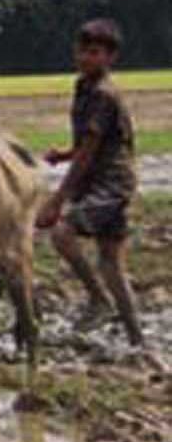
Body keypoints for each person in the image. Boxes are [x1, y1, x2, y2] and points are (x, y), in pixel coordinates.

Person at [36, 18, 144, 347]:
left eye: (95, 52)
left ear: (110, 57)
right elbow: (87, 145)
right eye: (82, 50)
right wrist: (66, 153)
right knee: (111, 263)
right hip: (105, 181)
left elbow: (90, 153)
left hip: (110, 184)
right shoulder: (83, 87)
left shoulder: (103, 95)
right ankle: (138, 342)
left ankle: (98, 299)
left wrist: (57, 199)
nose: (85, 57)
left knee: (62, 233)